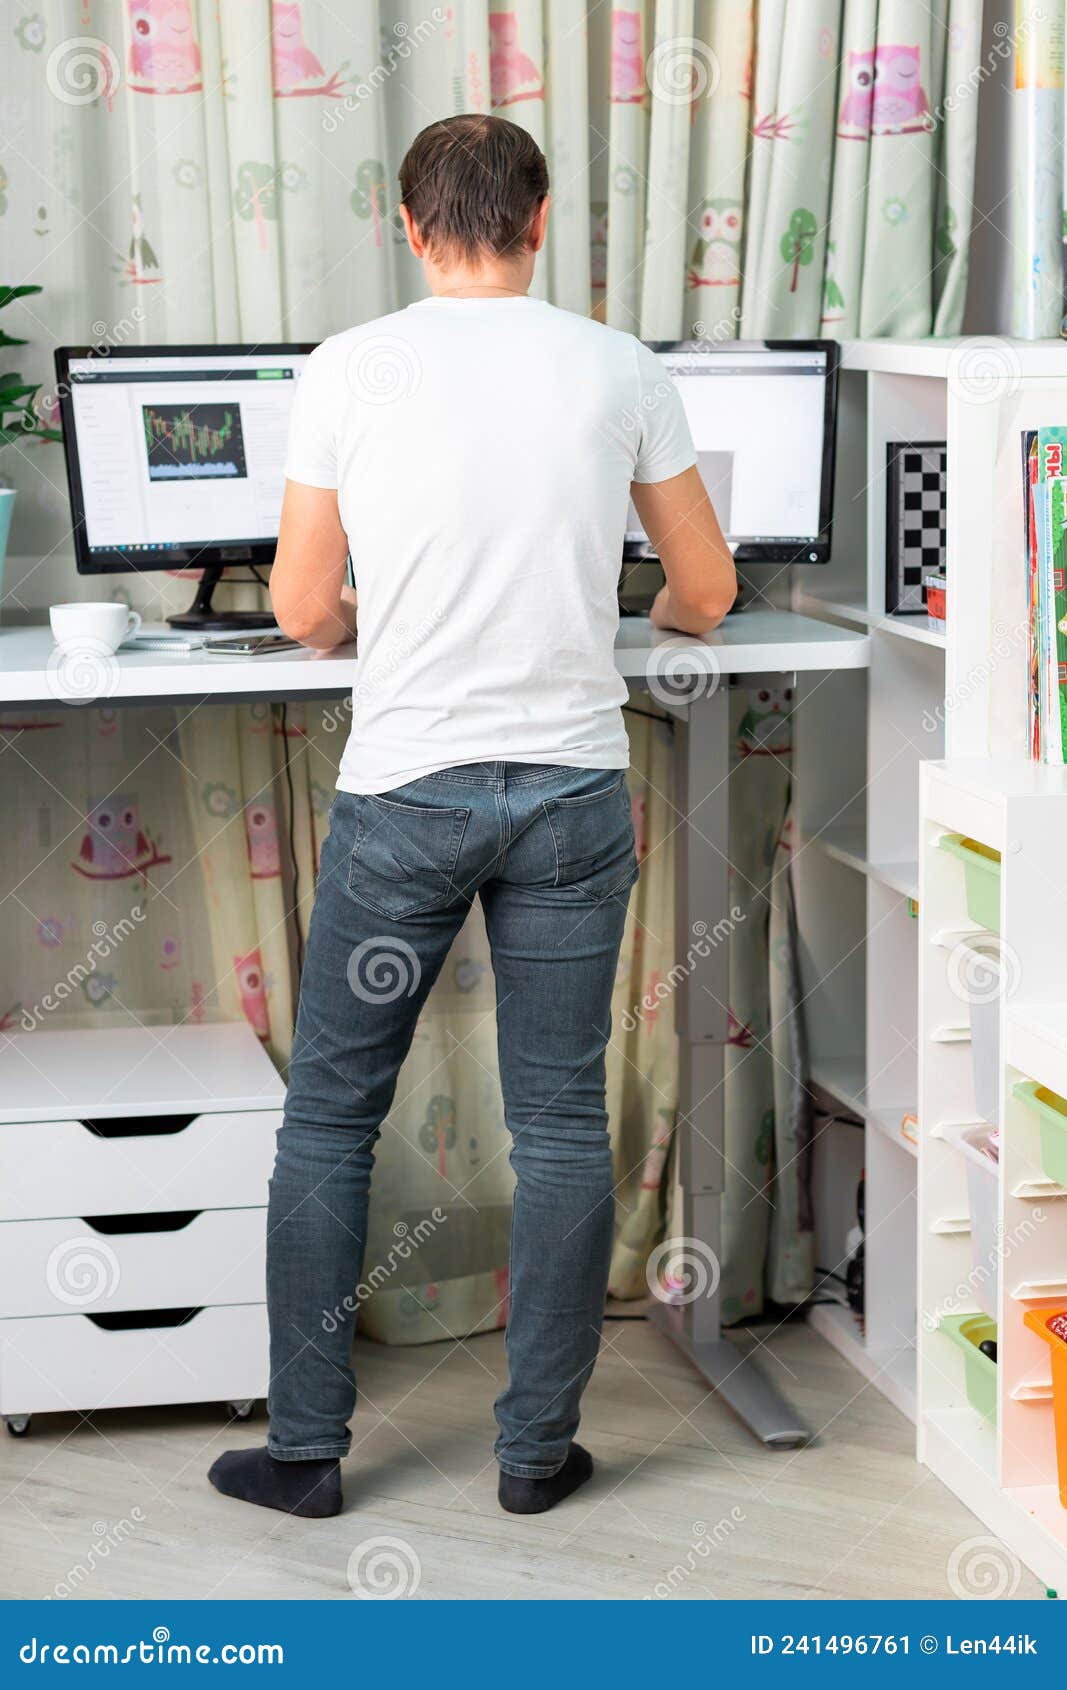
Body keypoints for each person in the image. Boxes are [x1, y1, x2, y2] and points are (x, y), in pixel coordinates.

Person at [209, 113, 735, 1521]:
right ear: (542, 218)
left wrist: (393, 613)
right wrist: (646, 616)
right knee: (561, 1124)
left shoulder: (349, 366)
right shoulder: (619, 366)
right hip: (568, 790)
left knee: (329, 1120)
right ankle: (533, 1454)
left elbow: (305, 609)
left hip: (408, 796)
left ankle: (310, 1452)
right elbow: (707, 588)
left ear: (408, 221)